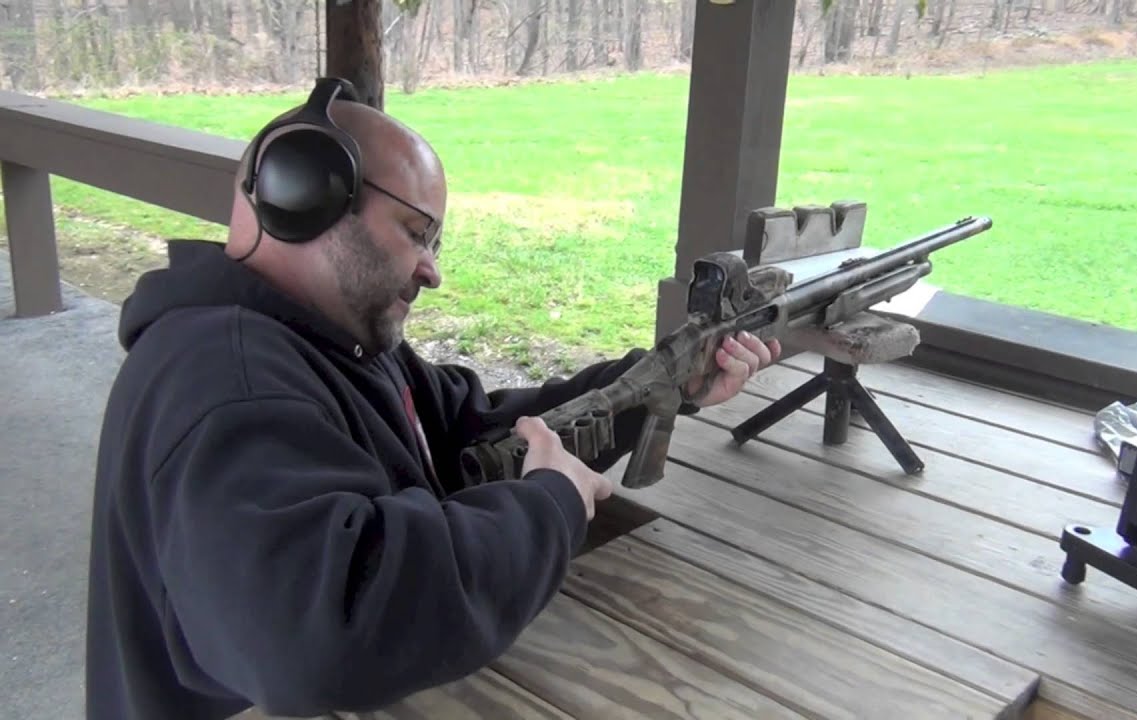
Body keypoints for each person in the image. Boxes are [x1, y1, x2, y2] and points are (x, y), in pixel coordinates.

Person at [84, 77, 781, 720]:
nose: (433, 270)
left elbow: (477, 428)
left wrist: (661, 381)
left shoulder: (332, 344)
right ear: (308, 194)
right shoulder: (222, 380)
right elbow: (326, 633)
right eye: (418, 233)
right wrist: (549, 508)